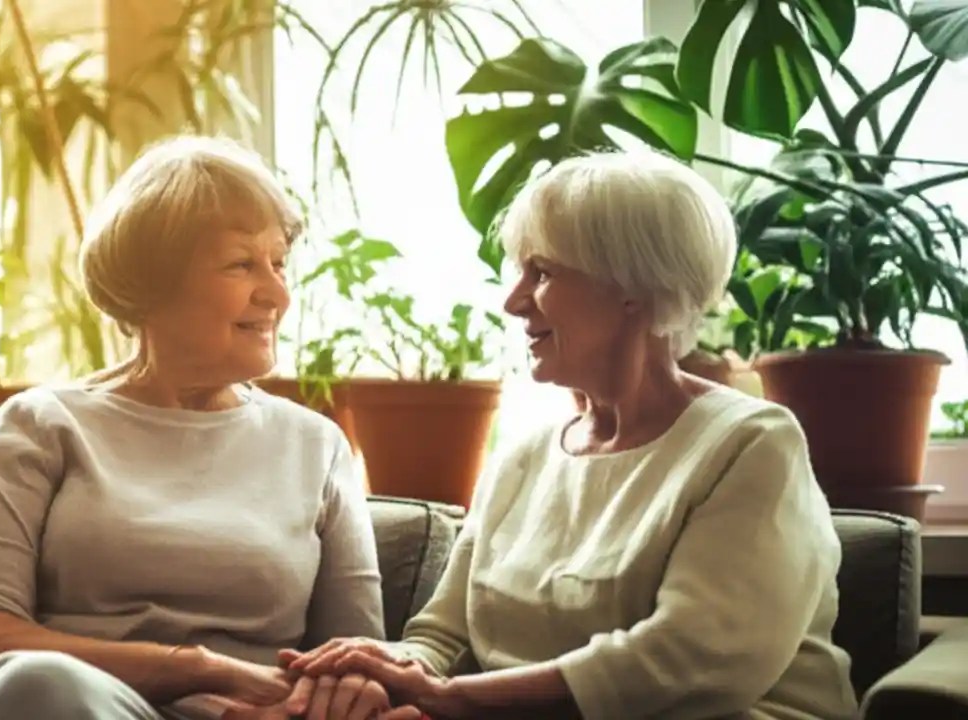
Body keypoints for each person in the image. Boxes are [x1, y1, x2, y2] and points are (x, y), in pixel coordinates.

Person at [282, 151, 860, 720]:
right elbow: (440, 638)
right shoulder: (525, 456)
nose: (513, 302)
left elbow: (689, 661)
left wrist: (454, 701)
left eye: (543, 273)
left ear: (632, 285)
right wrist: (375, 673)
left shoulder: (751, 443)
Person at [0, 136, 393, 720]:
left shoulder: (316, 447)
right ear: (152, 283)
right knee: (44, 686)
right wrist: (194, 668)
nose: (278, 294)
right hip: (33, 705)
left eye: (278, 262)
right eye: (241, 263)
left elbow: (357, 664)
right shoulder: (43, 424)